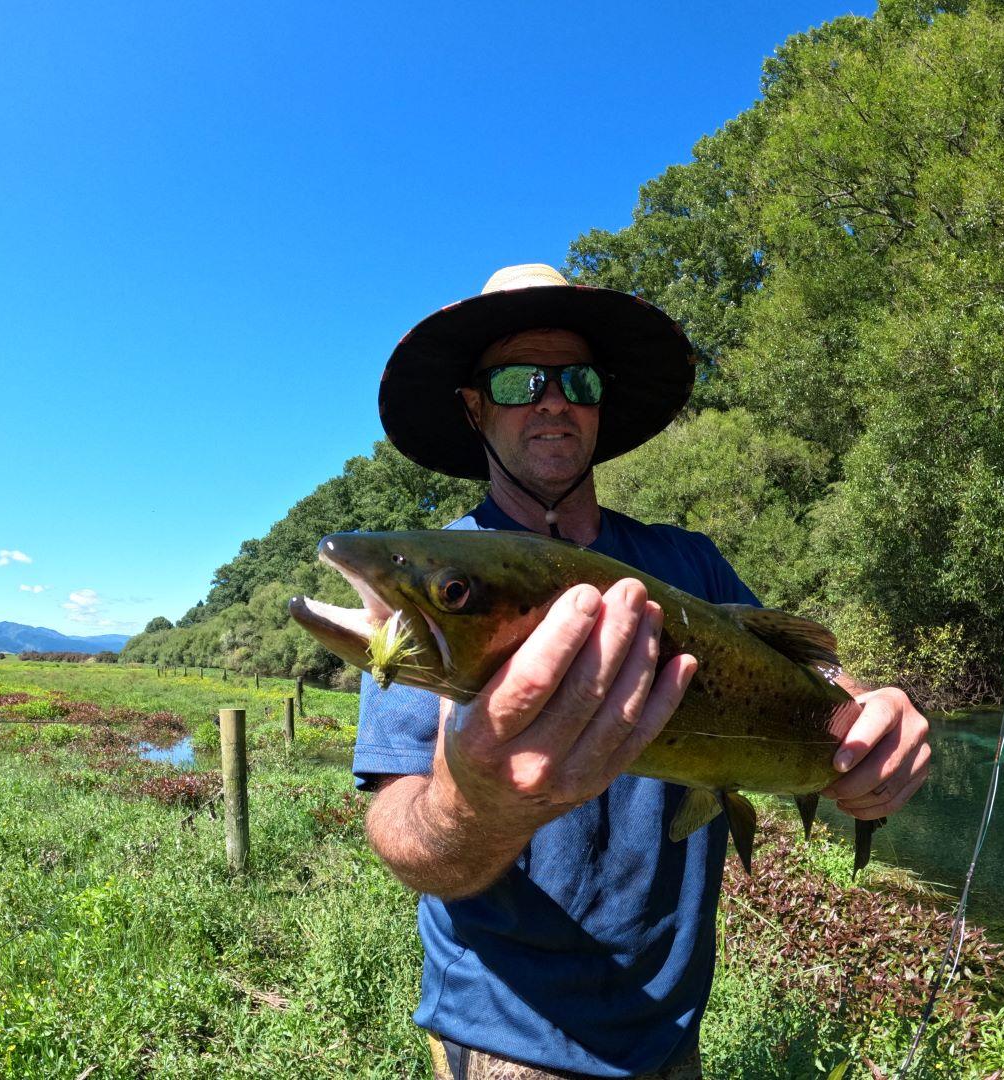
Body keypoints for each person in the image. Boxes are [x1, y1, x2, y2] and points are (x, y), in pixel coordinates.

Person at [354, 264, 931, 1080]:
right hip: (513, 1039)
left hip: (671, 1029)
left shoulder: (690, 563)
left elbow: (816, 691)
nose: (553, 398)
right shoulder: (444, 591)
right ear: (475, 408)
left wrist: (876, 719)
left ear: (598, 404)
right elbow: (405, 839)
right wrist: (473, 802)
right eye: (521, 380)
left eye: (577, 379)